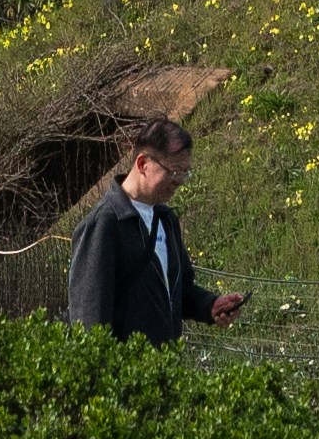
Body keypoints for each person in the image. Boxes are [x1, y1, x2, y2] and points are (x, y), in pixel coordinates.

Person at [64, 115, 241, 342]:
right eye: (174, 171)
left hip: (162, 369)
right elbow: (89, 318)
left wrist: (210, 305)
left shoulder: (165, 219)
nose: (180, 181)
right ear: (142, 164)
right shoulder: (105, 223)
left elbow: (180, 292)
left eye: (186, 172)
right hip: (125, 373)